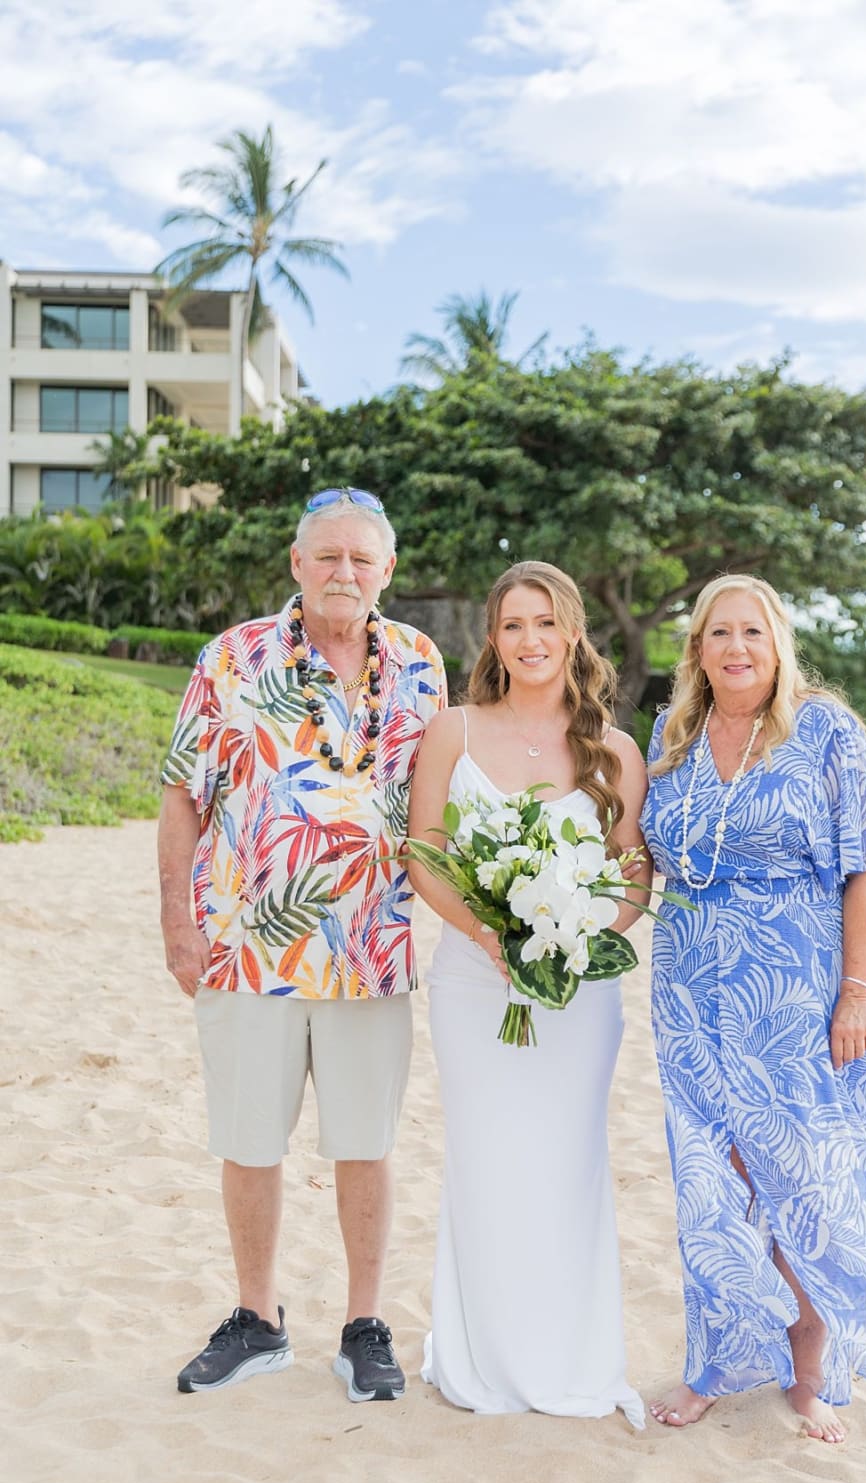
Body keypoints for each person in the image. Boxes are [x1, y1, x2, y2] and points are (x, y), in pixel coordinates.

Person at [640, 574, 866, 1442]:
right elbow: (642, 860)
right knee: (715, 1183)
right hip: (691, 995)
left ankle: (808, 1375)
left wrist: (856, 991)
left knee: (804, 1184)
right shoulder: (674, 735)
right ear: (696, 649)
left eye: (751, 632)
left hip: (794, 996)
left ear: (777, 642)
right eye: (716, 634)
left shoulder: (825, 732)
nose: (735, 648)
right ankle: (715, 1365)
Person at [159, 487, 447, 1401]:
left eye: (362, 559)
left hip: (373, 948)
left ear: (387, 572)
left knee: (366, 1142)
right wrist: (176, 921)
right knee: (250, 1142)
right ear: (296, 564)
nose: (344, 573)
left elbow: (444, 800)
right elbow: (181, 796)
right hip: (246, 945)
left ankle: (365, 1323)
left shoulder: (419, 662)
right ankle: (257, 1318)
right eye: (327, 557)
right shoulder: (232, 657)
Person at [406, 562, 650, 1426]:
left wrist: (580, 940)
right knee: (486, 1159)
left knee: (566, 1163)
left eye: (546, 623)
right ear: (492, 639)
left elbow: (631, 877)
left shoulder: (613, 751)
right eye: (513, 624)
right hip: (474, 984)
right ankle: (482, 1360)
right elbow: (424, 852)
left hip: (577, 995)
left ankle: (568, 1356)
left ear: (574, 634)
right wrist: (487, 935)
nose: (531, 640)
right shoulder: (453, 732)